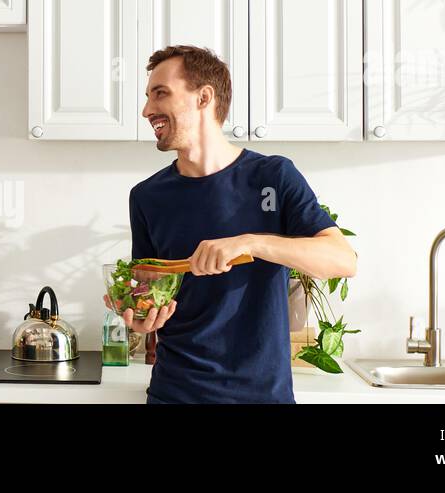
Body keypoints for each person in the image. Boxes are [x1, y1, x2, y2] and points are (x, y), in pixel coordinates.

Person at [113, 45, 358, 404]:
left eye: (160, 93)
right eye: (148, 97)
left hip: (261, 396)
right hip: (175, 394)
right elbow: (152, 291)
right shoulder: (147, 197)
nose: (147, 110)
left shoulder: (274, 176)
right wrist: (141, 318)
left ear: (204, 98)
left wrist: (250, 243)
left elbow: (343, 260)